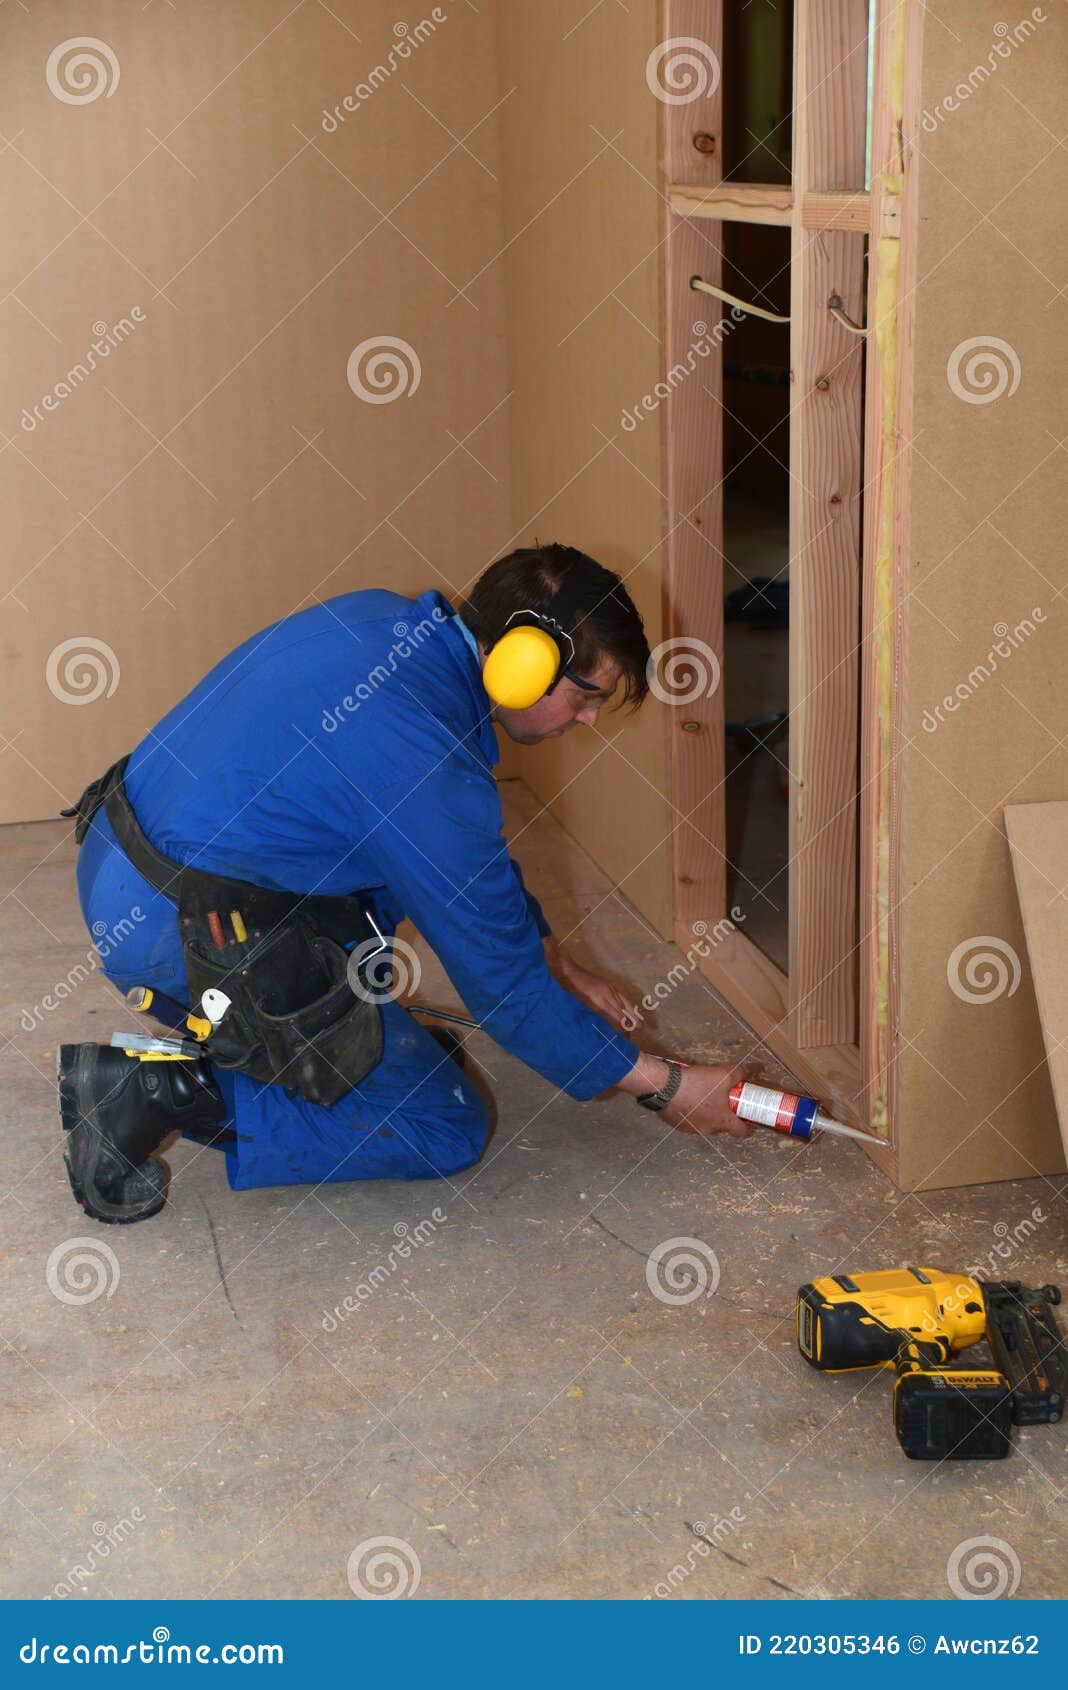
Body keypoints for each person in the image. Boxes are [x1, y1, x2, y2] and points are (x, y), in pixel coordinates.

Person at [58, 542, 748, 1225]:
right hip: (173, 924)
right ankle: (145, 1092)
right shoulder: (421, 754)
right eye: (585, 695)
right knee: (441, 1120)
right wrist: (664, 1086)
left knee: (398, 909)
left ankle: (298, 1047)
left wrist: (553, 962)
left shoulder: (388, 624)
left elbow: (461, 867)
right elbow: (504, 993)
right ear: (522, 666)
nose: (589, 720)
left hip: (126, 855)